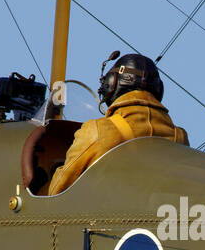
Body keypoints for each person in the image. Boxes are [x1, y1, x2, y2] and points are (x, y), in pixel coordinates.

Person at [47, 53, 188, 194]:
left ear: (112, 83)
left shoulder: (98, 131)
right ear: (159, 90)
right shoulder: (180, 138)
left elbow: (56, 190)